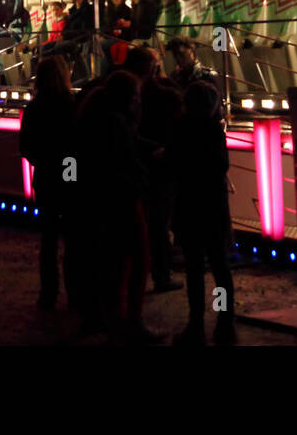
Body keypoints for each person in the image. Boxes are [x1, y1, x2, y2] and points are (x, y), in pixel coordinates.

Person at [75, 70, 159, 343]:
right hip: (122, 197)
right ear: (128, 96)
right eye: (135, 95)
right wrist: (144, 180)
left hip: (98, 197)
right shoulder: (116, 123)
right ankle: (131, 320)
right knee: (138, 256)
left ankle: (107, 316)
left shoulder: (96, 116)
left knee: (109, 258)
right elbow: (124, 161)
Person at [170, 80, 236, 345]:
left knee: (194, 269)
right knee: (220, 267)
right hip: (213, 207)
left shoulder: (180, 130)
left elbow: (172, 165)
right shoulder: (214, 131)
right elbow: (221, 167)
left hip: (188, 205)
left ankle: (195, 323)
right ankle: (224, 322)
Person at [124, 47, 183, 294]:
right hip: (157, 164)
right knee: (159, 224)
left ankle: (133, 276)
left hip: (133, 167)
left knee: (140, 224)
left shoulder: (121, 89)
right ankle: (160, 274)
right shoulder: (163, 93)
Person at [19, 56, 76, 309]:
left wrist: (43, 160)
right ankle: (76, 295)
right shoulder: (71, 104)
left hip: (45, 176)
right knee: (74, 239)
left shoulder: (34, 108)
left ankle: (48, 294)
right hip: (70, 176)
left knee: (49, 239)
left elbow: (26, 148)